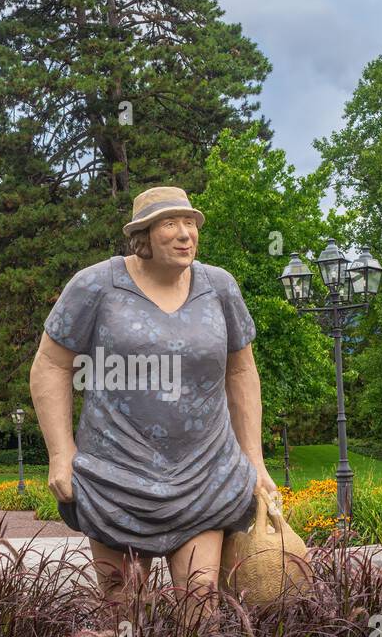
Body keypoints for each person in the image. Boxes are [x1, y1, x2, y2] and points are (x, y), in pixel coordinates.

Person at [29, 185, 282, 604]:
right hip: (115, 474)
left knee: (200, 601)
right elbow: (51, 365)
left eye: (190, 223)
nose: (186, 234)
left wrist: (254, 458)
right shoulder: (96, 285)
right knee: (124, 604)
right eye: (171, 224)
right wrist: (60, 452)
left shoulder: (219, 288)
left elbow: (242, 370)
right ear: (142, 236)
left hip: (205, 472)